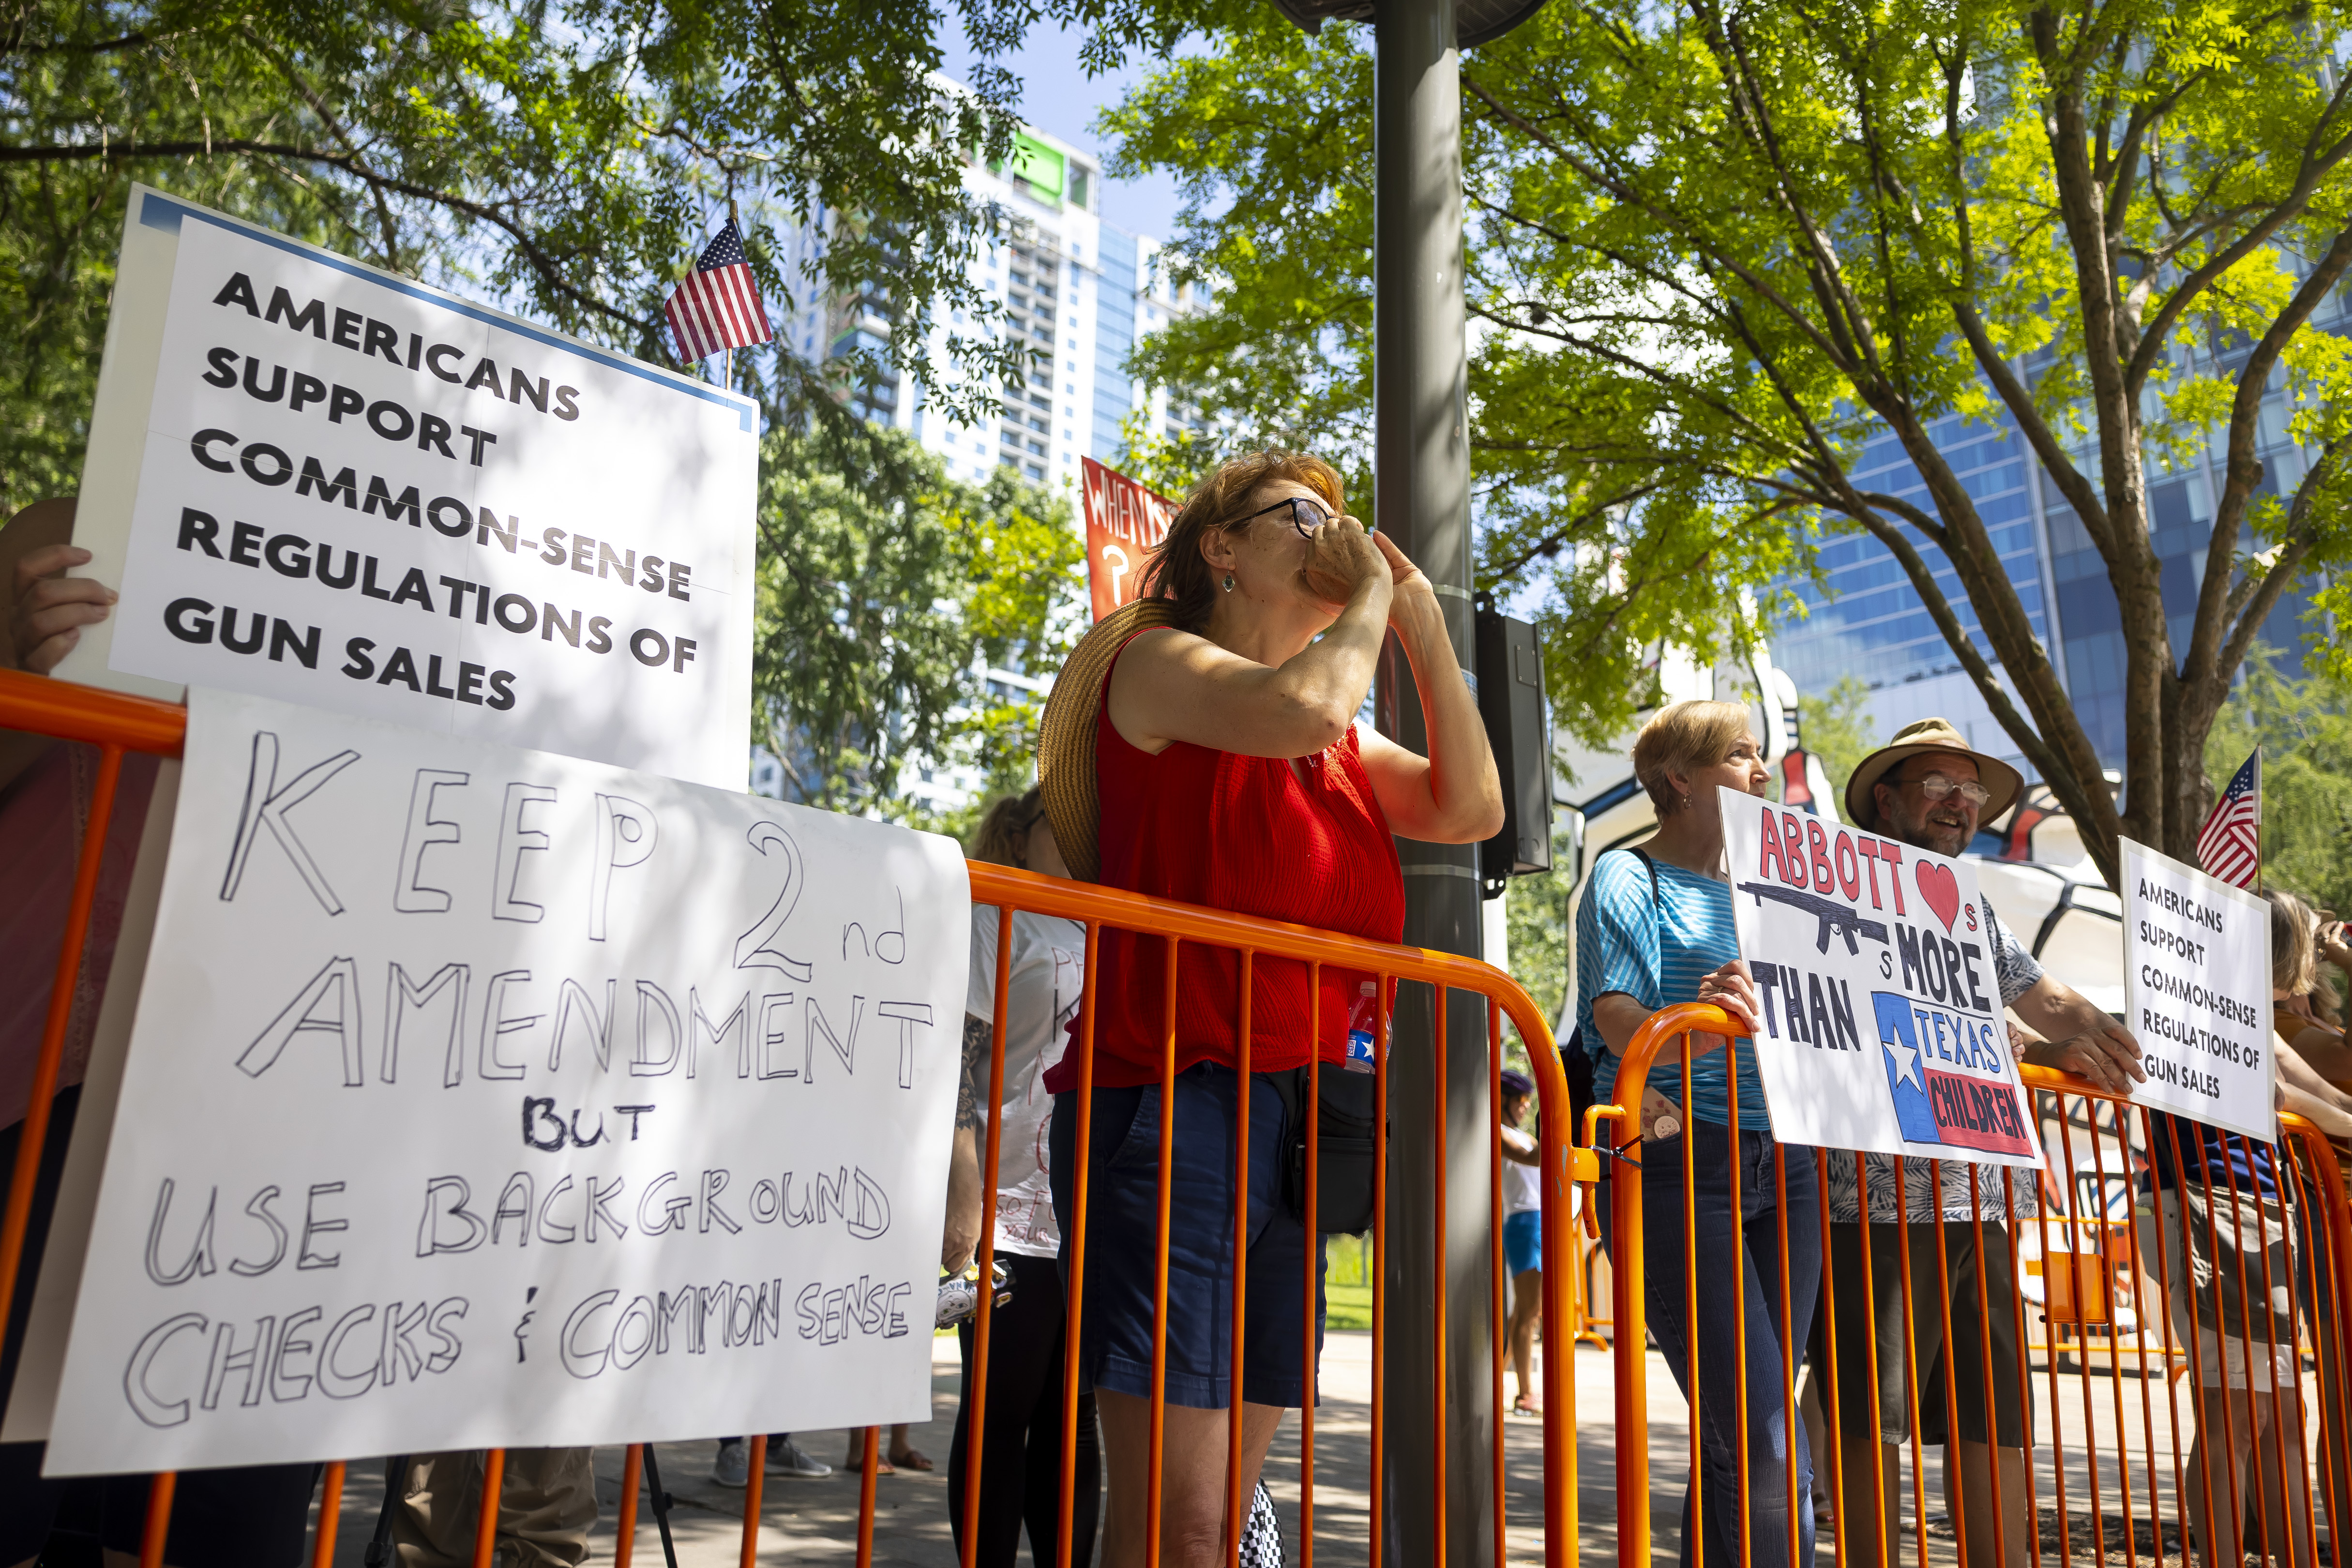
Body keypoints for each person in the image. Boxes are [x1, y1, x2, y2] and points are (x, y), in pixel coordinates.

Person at [1034, 449, 1501, 1568]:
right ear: (1222, 548)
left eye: (1339, 517)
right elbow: (1299, 704)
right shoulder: (1156, 660)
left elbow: (1471, 805)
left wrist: (1422, 623)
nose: (1331, 531)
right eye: (1298, 514)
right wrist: (1374, 592)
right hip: (1174, 1095)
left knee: (1224, 1516)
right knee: (1177, 1523)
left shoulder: (1339, 738)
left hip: (1301, 1117)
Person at [0, 500, 320, 1568]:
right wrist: (28, 673)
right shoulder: (64, 531)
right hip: (43, 1086)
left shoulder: (409, 569)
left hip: (271, 1103)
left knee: (219, 1521)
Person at [1813, 717, 2144, 1568]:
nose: (1959, 803)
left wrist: (2131, 1047)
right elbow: (1846, 1011)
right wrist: (2020, 1042)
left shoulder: (1971, 908)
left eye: (1970, 791)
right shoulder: (1833, 884)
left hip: (1983, 1193)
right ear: (1885, 799)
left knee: (1993, 1411)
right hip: (1875, 1194)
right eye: (1938, 785)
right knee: (1872, 1413)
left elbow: (2048, 1000)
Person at [1576, 698, 1818, 1568]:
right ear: (1679, 778)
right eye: (1741, 755)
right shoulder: (1626, 875)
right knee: (1764, 1437)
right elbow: (1615, 1016)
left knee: (1747, 1432)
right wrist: (1704, 1020)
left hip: (1790, 1162)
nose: (1763, 771)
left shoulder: (1782, 893)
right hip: (1681, 1161)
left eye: (1762, 754)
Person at [2135, 888, 2352, 1568]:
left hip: (2260, 1210)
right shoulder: (2190, 1005)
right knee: (2232, 1416)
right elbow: (2291, 1094)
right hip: (2209, 1207)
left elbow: (2318, 1093)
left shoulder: (2251, 1015)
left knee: (2282, 1416)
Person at [943, 786, 1099, 1566]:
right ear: (1018, 833)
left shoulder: (1110, 922)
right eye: (1059, 819)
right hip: (1010, 1207)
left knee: (1077, 1423)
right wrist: (962, 1186)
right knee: (1000, 1413)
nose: (1078, 832)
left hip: (1097, 1212)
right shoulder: (992, 916)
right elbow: (953, 1056)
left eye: (1088, 822)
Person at [1498, 1070, 1545, 1416]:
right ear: (1503, 1100)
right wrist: (1555, 1128)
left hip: (1540, 1220)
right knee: (1529, 1312)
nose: (1526, 1107)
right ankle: (1526, 1394)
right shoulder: (1496, 1132)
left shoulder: (1522, 1134)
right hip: (1524, 1222)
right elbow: (1534, 1158)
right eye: (1521, 1100)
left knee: (1526, 1312)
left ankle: (1496, 1381)